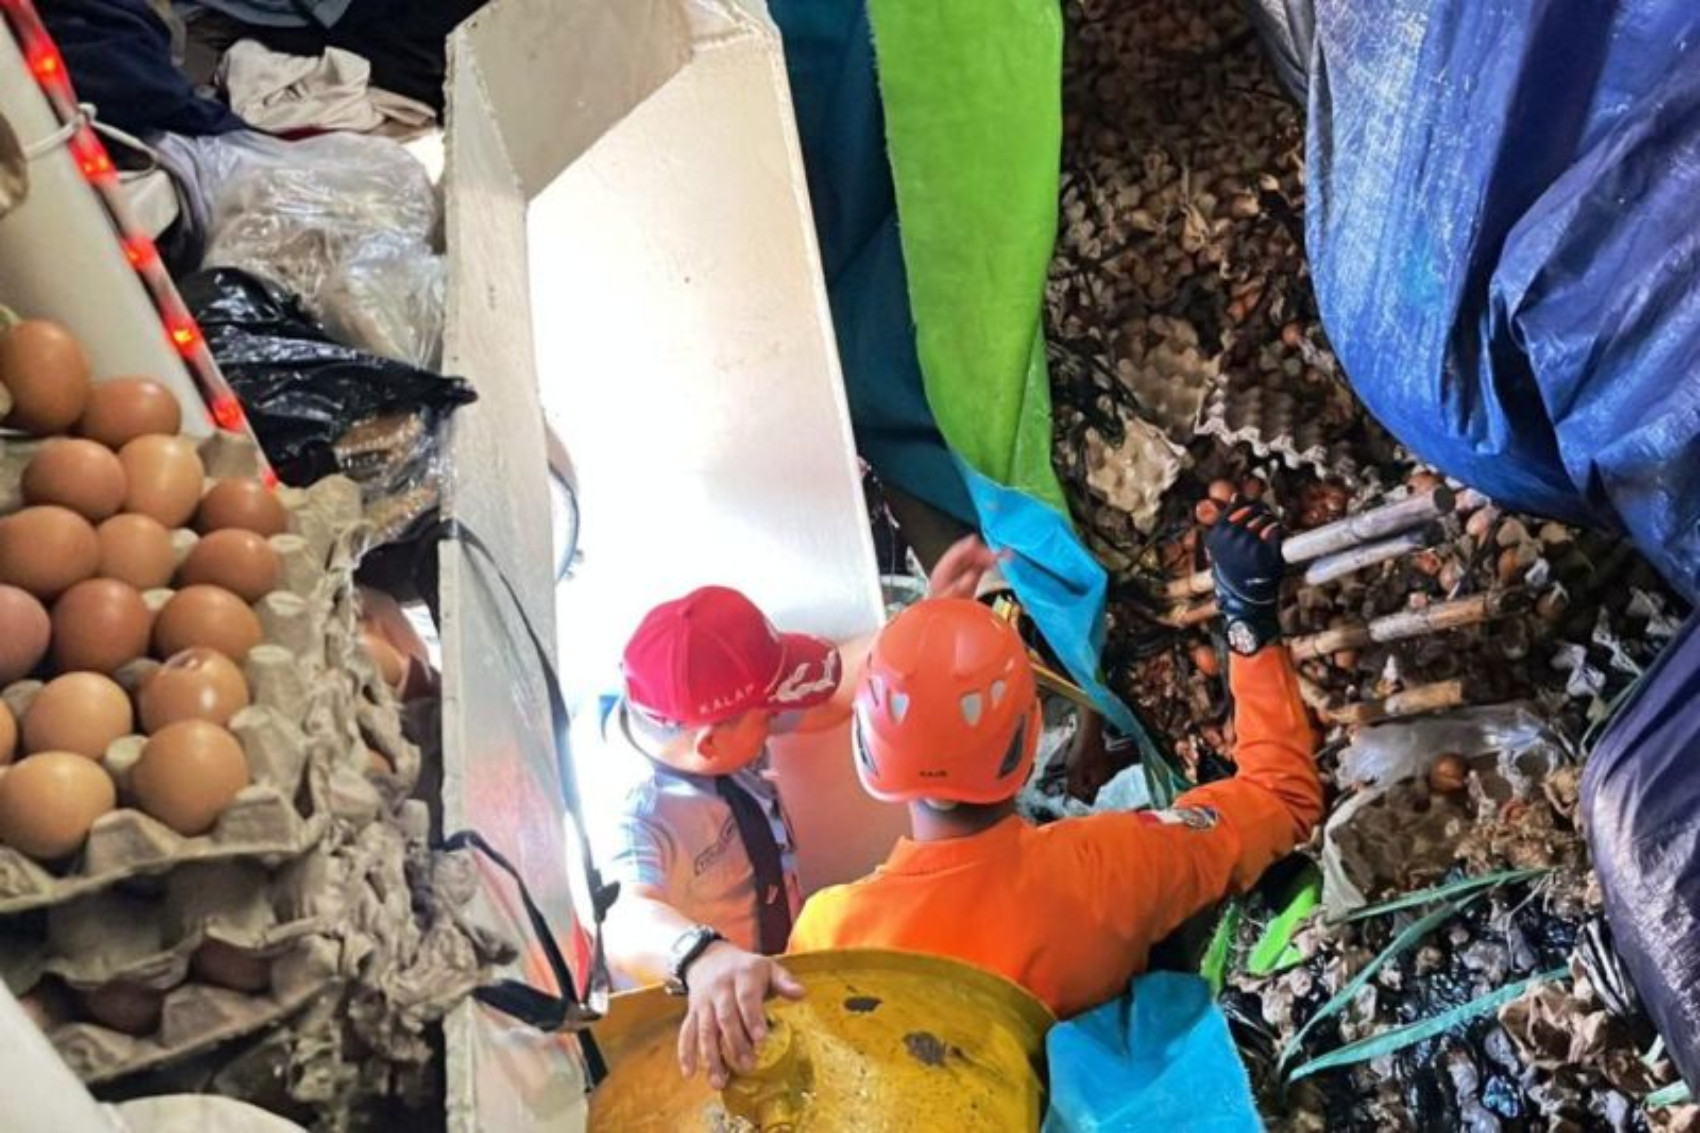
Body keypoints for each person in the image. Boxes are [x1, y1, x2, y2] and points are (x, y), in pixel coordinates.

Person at [707, 501, 1316, 1085]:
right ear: (1028, 742)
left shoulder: (834, 932)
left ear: (869, 754)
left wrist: (931, 628)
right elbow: (1284, 796)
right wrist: (1247, 619)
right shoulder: (1112, 865)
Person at [584, 538, 1000, 1083]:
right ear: (709, 744)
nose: (779, 716)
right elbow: (625, 917)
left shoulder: (698, 729)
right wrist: (701, 958)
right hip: (710, 1019)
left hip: (775, 964)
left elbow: (828, 694)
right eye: (767, 712)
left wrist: (925, 616)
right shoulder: (634, 807)